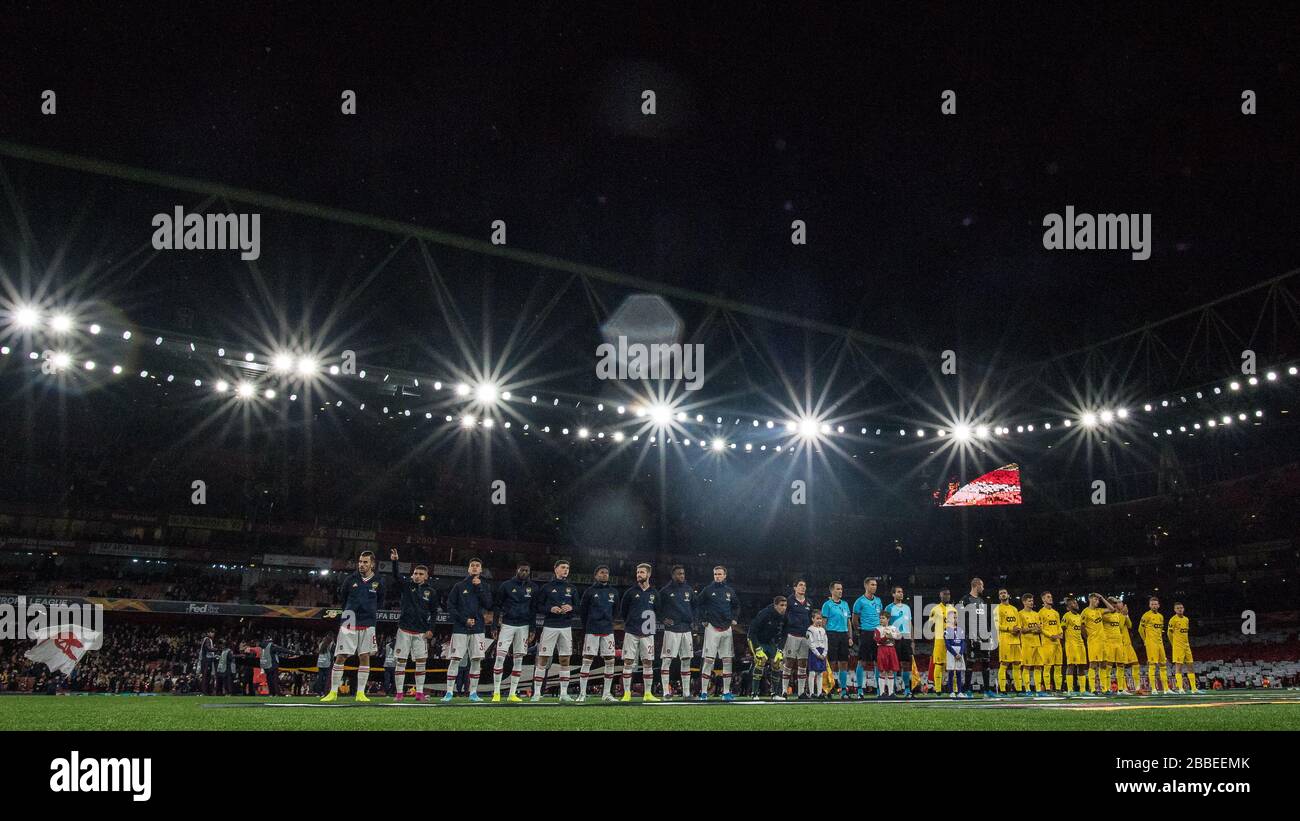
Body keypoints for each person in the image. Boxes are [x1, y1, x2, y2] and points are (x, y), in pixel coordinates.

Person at [321, 550, 390, 702]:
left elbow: (381, 600)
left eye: (365, 562)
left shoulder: (379, 581)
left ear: (372, 564)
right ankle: (333, 693)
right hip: (349, 618)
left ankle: (360, 693)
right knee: (341, 656)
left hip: (368, 621)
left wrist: (369, 611)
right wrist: (350, 610)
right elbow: (343, 598)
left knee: (364, 656)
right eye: (360, 561)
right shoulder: (350, 579)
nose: (362, 565)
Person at [389, 548, 435, 702]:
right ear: (412, 575)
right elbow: (395, 576)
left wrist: (431, 629)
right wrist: (395, 561)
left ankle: (420, 693)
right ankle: (399, 693)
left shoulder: (431, 592)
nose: (417, 576)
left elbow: (434, 612)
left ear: (426, 576)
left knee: (421, 662)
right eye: (415, 573)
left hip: (421, 632)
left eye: (421, 574)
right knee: (401, 661)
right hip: (404, 630)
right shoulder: (407, 586)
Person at [444, 557, 493, 702]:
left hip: (478, 628)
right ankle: (449, 692)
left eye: (478, 566)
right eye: (472, 565)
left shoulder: (484, 586)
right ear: (468, 569)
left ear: (481, 569)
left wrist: (479, 588)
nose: (475, 567)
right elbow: (450, 606)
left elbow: (488, 604)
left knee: (476, 660)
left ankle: (473, 693)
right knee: (455, 659)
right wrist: (463, 620)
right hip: (460, 628)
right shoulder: (459, 586)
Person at [533, 559, 577, 702]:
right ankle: (537, 693)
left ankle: (564, 693)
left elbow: (579, 607)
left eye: (567, 568)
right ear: (556, 569)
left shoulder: (572, 588)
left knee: (565, 659)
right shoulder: (546, 587)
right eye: (563, 567)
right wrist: (549, 609)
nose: (566, 570)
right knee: (543, 659)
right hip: (550, 626)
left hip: (566, 627)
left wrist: (571, 608)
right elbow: (538, 606)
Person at [492, 562, 536, 702]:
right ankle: (496, 692)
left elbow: (533, 610)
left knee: (519, 659)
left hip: (524, 626)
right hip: (507, 624)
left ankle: (512, 694)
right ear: (517, 570)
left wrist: (533, 628)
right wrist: (494, 625)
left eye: (527, 571)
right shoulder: (506, 585)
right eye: (522, 570)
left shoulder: (533, 587)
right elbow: (497, 606)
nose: (524, 572)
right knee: (500, 658)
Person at [697, 565, 740, 701]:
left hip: (727, 629)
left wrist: (734, 618)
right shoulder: (708, 590)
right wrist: (703, 619)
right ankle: (703, 692)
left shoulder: (729, 591)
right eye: (715, 574)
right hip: (712, 628)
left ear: (725, 575)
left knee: (727, 661)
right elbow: (698, 604)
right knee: (709, 660)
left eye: (720, 574)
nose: (717, 576)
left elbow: (736, 605)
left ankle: (726, 692)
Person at [577, 565, 619, 702]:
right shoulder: (589, 591)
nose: (605, 575)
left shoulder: (614, 592)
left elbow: (616, 611)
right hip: (592, 630)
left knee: (610, 661)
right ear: (596, 575)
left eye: (607, 573)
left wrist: (609, 622)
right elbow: (582, 611)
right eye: (602, 573)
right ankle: (582, 693)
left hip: (607, 630)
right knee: (587, 659)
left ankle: (606, 694)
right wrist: (588, 626)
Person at [619, 563, 660, 702]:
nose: (639, 575)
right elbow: (623, 612)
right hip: (631, 631)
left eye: (642, 572)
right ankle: (626, 693)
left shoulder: (654, 593)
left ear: (648, 574)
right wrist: (631, 622)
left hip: (648, 632)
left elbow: (658, 611)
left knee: (648, 662)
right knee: (628, 662)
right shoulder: (630, 592)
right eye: (637, 572)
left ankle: (648, 693)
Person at [657, 565, 696, 700]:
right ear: (673, 575)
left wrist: (693, 620)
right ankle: (665, 692)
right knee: (667, 660)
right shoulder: (665, 591)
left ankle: (686, 693)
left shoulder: (689, 590)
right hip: (672, 630)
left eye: (683, 574)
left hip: (686, 630)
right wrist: (662, 619)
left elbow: (695, 606)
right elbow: (657, 607)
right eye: (679, 574)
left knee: (686, 660)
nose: (682, 576)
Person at [746, 595, 787, 698]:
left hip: (769, 641)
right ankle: (754, 693)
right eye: (781, 605)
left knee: (777, 663)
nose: (784, 608)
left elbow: (785, 634)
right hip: (756, 639)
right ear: (775, 605)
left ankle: (775, 694)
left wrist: (780, 650)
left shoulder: (785, 616)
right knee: (761, 660)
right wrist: (757, 649)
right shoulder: (764, 614)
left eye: (785, 605)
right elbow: (752, 632)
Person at [957, 578, 991, 695]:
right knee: (970, 663)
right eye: (982, 585)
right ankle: (967, 690)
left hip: (983, 636)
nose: (983, 588)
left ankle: (987, 690)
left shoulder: (982, 601)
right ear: (976, 585)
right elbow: (960, 619)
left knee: (986, 662)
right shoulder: (965, 600)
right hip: (971, 636)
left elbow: (984, 619)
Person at [851, 578, 883, 698]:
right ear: (866, 586)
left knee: (877, 661)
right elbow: (854, 619)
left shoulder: (878, 600)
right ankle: (860, 690)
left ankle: (879, 689)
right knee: (862, 661)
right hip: (865, 633)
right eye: (872, 584)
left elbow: (880, 617)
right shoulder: (859, 601)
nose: (874, 587)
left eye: (875, 585)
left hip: (877, 633)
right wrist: (858, 631)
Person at [782, 579, 814, 700]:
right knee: (789, 662)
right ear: (794, 588)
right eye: (800, 585)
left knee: (803, 664)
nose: (803, 587)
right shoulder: (789, 601)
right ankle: (784, 691)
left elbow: (811, 618)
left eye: (804, 586)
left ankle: (801, 692)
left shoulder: (809, 602)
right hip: (792, 635)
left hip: (805, 636)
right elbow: (784, 617)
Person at [820, 581, 852, 699]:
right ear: (832, 591)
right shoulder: (827, 605)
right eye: (838, 589)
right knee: (832, 663)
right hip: (831, 635)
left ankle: (843, 689)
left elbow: (848, 622)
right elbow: (824, 623)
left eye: (841, 589)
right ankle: (829, 689)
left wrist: (850, 637)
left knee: (844, 663)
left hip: (843, 635)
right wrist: (823, 638)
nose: (840, 591)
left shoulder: (845, 604)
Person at [885, 585, 914, 698]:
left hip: (906, 638)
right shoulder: (888, 608)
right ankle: (892, 690)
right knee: (893, 665)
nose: (901, 594)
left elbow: (910, 623)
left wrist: (912, 639)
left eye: (902, 592)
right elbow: (885, 624)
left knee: (906, 664)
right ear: (893, 594)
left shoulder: (907, 608)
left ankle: (907, 689)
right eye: (898, 592)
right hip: (894, 639)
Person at [1138, 596, 1170, 694]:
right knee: (1152, 665)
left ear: (1159, 605)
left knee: (1163, 665)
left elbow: (1160, 630)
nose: (1154, 606)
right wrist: (1145, 640)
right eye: (1152, 604)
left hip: (1160, 643)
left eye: (1156, 604)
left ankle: (1166, 689)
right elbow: (1140, 629)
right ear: (1149, 605)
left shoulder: (1161, 616)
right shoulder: (1146, 615)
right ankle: (1154, 689)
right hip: (1151, 643)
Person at [993, 588, 1021, 698]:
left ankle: (1019, 689)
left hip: (1016, 640)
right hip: (1005, 640)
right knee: (1004, 664)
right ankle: (1003, 689)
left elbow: (1018, 624)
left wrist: (1017, 630)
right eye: (1000, 594)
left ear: (1008, 595)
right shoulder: (997, 609)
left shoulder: (1014, 609)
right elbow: (997, 625)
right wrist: (1010, 629)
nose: (1003, 595)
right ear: (999, 597)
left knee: (1017, 664)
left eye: (1004, 593)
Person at [927, 589, 954, 694]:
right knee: (939, 664)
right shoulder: (935, 609)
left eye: (948, 594)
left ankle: (953, 689)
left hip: (952, 640)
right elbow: (930, 627)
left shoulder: (953, 609)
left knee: (952, 665)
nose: (947, 596)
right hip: (939, 640)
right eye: (944, 594)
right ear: (940, 595)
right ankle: (938, 689)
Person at [1081, 593, 1109, 694]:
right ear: (1090, 599)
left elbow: (1112, 609)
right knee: (1093, 664)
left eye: (1098, 600)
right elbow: (1082, 626)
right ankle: (1092, 689)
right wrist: (1088, 637)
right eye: (1096, 599)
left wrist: (1102, 598)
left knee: (1104, 664)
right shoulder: (1085, 612)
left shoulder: (1099, 611)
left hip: (1103, 641)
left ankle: (1104, 688)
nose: (1097, 601)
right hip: (1093, 642)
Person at [1168, 602, 1197, 693]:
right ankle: (1180, 688)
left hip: (1186, 646)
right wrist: (1174, 643)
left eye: (1181, 608)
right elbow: (1169, 633)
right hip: (1178, 647)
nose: (1180, 609)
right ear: (1175, 610)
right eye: (1178, 608)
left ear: (1183, 609)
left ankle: (1193, 688)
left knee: (1190, 666)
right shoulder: (1173, 620)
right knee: (1178, 667)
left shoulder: (1186, 619)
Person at [1016, 593, 1043, 696]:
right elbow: (1021, 629)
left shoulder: (1036, 614)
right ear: (1024, 602)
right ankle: (1027, 689)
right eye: (1029, 601)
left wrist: (1037, 629)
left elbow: (1040, 628)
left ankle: (1038, 690)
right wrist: (1032, 629)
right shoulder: (1020, 614)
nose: (1031, 603)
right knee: (1026, 666)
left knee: (1038, 667)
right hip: (1027, 644)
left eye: (1032, 601)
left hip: (1037, 643)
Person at [1061, 597, 1088, 695]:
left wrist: (1087, 638)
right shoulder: (1066, 616)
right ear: (1068, 607)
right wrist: (1064, 644)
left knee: (1081, 666)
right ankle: (1070, 690)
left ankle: (1083, 690)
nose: (1076, 604)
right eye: (1073, 603)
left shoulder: (1080, 616)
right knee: (1071, 666)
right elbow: (1062, 630)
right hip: (1071, 644)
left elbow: (1083, 631)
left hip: (1080, 644)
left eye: (1076, 602)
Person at [1038, 592, 1063, 694]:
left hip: (1057, 643)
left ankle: (1058, 688)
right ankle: (1047, 688)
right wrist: (1051, 635)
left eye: (1051, 597)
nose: (1050, 598)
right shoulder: (1040, 613)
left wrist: (1060, 633)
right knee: (1047, 666)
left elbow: (1059, 626)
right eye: (1048, 597)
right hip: (1047, 643)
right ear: (1043, 599)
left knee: (1058, 666)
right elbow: (1041, 628)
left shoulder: (1056, 613)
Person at [874, 613, 901, 698]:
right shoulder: (877, 629)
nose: (881, 620)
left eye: (883, 618)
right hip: (882, 649)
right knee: (882, 671)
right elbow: (878, 640)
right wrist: (886, 637)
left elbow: (899, 636)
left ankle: (891, 692)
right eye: (880, 618)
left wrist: (891, 635)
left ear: (888, 619)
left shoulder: (893, 628)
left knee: (890, 671)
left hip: (891, 649)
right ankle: (881, 693)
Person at [943, 608, 968, 698]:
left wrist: (960, 653)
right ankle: (951, 692)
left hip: (959, 652)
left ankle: (960, 691)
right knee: (951, 672)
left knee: (958, 672)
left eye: (956, 617)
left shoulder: (961, 630)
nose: (955, 619)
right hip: (951, 652)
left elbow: (963, 643)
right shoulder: (947, 630)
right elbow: (947, 644)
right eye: (953, 617)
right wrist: (954, 654)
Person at [806, 613, 829, 699]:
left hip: (822, 652)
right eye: (817, 618)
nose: (819, 620)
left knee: (820, 673)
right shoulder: (810, 630)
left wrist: (824, 653)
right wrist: (817, 654)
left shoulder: (823, 630)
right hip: (814, 652)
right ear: (812, 619)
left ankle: (819, 693)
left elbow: (826, 642)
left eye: (820, 618)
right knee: (812, 673)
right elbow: (810, 643)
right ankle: (811, 692)